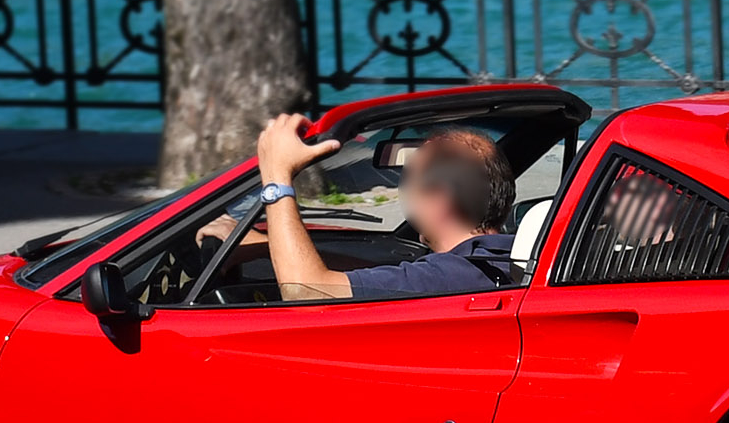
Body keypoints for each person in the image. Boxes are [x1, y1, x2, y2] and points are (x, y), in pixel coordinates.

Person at [218, 116, 515, 301]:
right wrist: (265, 246)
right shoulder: (495, 260)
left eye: (410, 179)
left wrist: (276, 177)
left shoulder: (453, 276)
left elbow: (305, 290)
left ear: (440, 198)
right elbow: (385, 277)